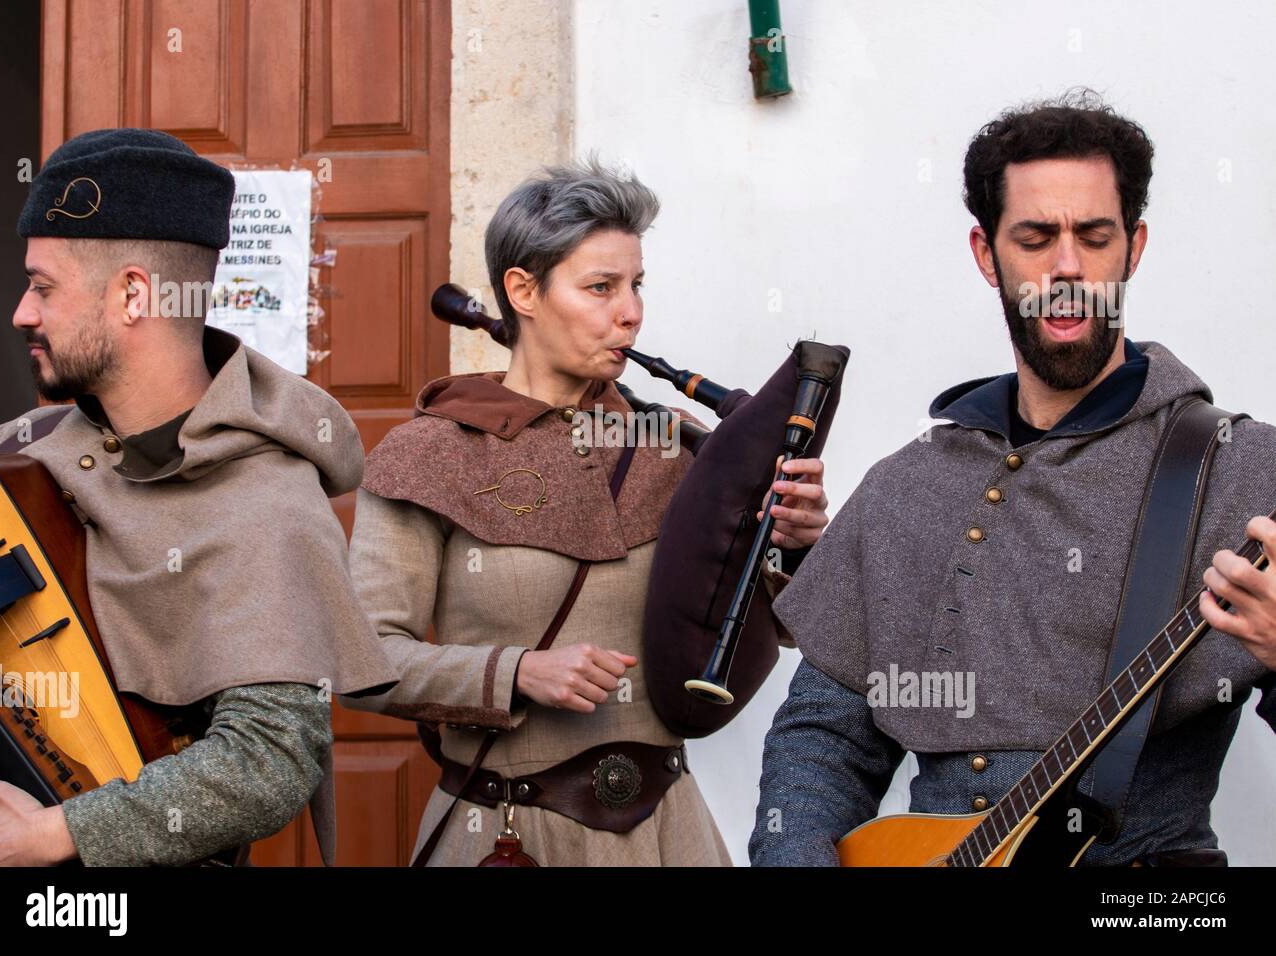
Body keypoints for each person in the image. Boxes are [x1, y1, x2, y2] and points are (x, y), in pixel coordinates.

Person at [751, 90, 1276, 867]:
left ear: (1133, 248)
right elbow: (823, 734)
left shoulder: (1239, 467)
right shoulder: (908, 482)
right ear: (985, 253)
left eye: (1093, 236)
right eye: (1035, 237)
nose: (1066, 267)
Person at [343, 159, 831, 865]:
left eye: (635, 285)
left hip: (671, 836)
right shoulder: (429, 455)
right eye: (600, 287)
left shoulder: (680, 450)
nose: (629, 310)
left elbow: (779, 632)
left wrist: (794, 543)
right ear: (523, 291)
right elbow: (362, 664)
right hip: (510, 838)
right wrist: (516, 673)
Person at [0, 128, 396, 866]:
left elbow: (265, 763)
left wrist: (52, 835)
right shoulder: (20, 460)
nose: (22, 313)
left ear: (134, 294)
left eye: (44, 287)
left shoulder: (268, 501)